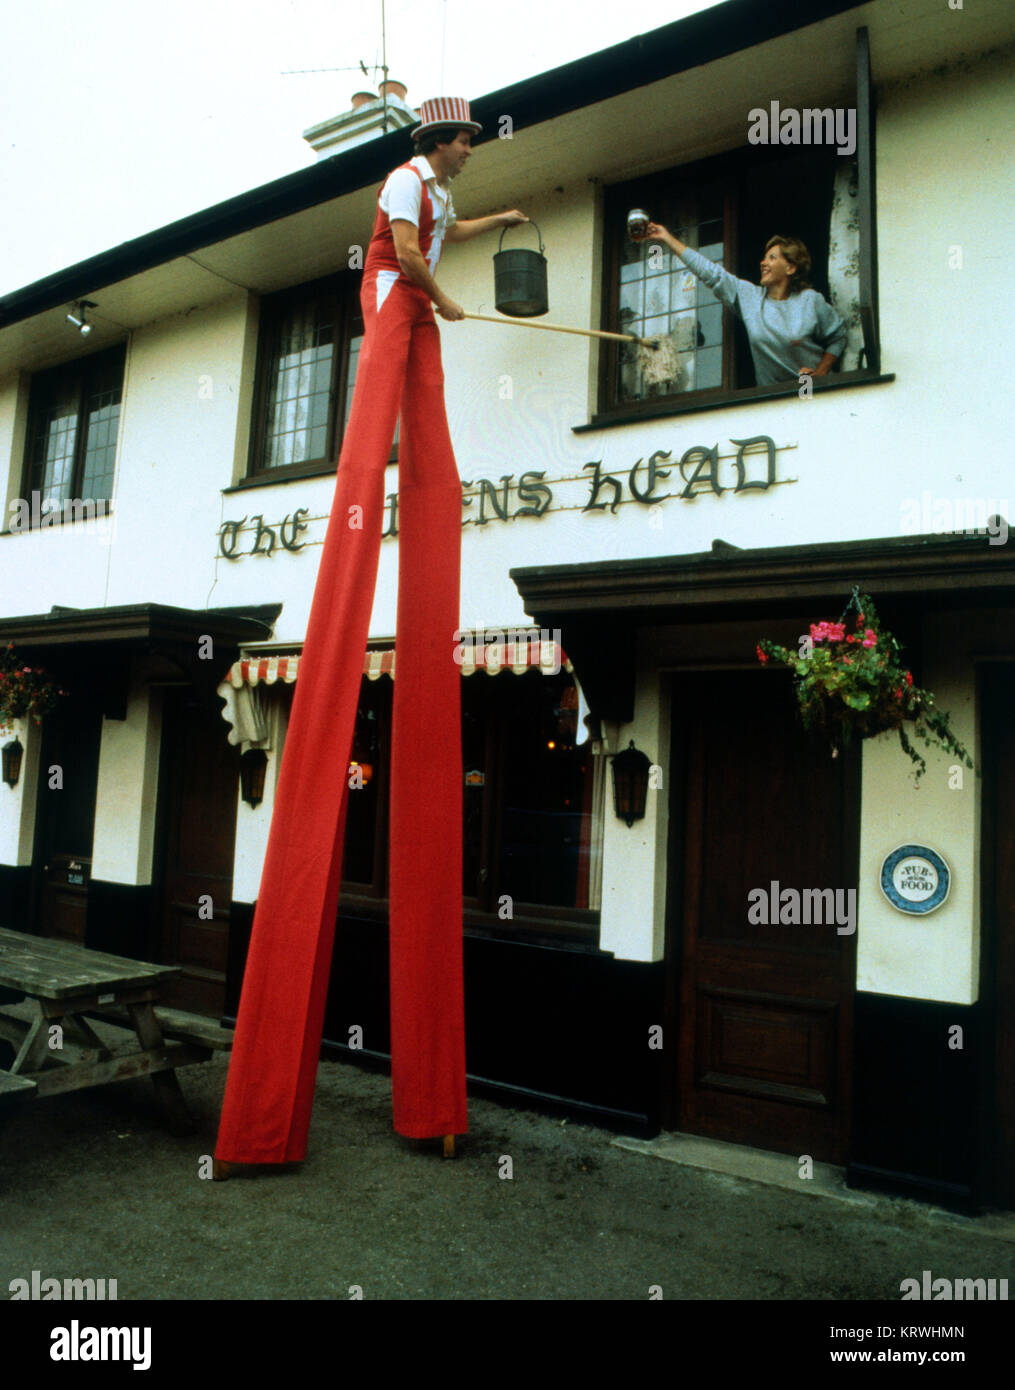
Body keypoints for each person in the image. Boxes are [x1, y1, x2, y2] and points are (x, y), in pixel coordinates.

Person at [215, 98, 527, 1170]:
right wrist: (445, 298)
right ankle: (262, 1128)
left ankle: (430, 1104)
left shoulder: (443, 191)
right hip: (396, 310)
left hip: (422, 308)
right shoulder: (401, 185)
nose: (471, 151)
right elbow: (400, 255)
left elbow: (443, 231)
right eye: (466, 140)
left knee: (426, 419)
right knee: (387, 410)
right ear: (434, 142)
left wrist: (494, 228)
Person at [644, 224, 847, 386]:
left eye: (772, 257)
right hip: (773, 397)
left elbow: (839, 336)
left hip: (811, 391)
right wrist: (667, 239)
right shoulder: (750, 297)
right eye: (764, 257)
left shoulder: (810, 301)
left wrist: (821, 372)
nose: (763, 262)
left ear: (791, 268)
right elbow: (711, 273)